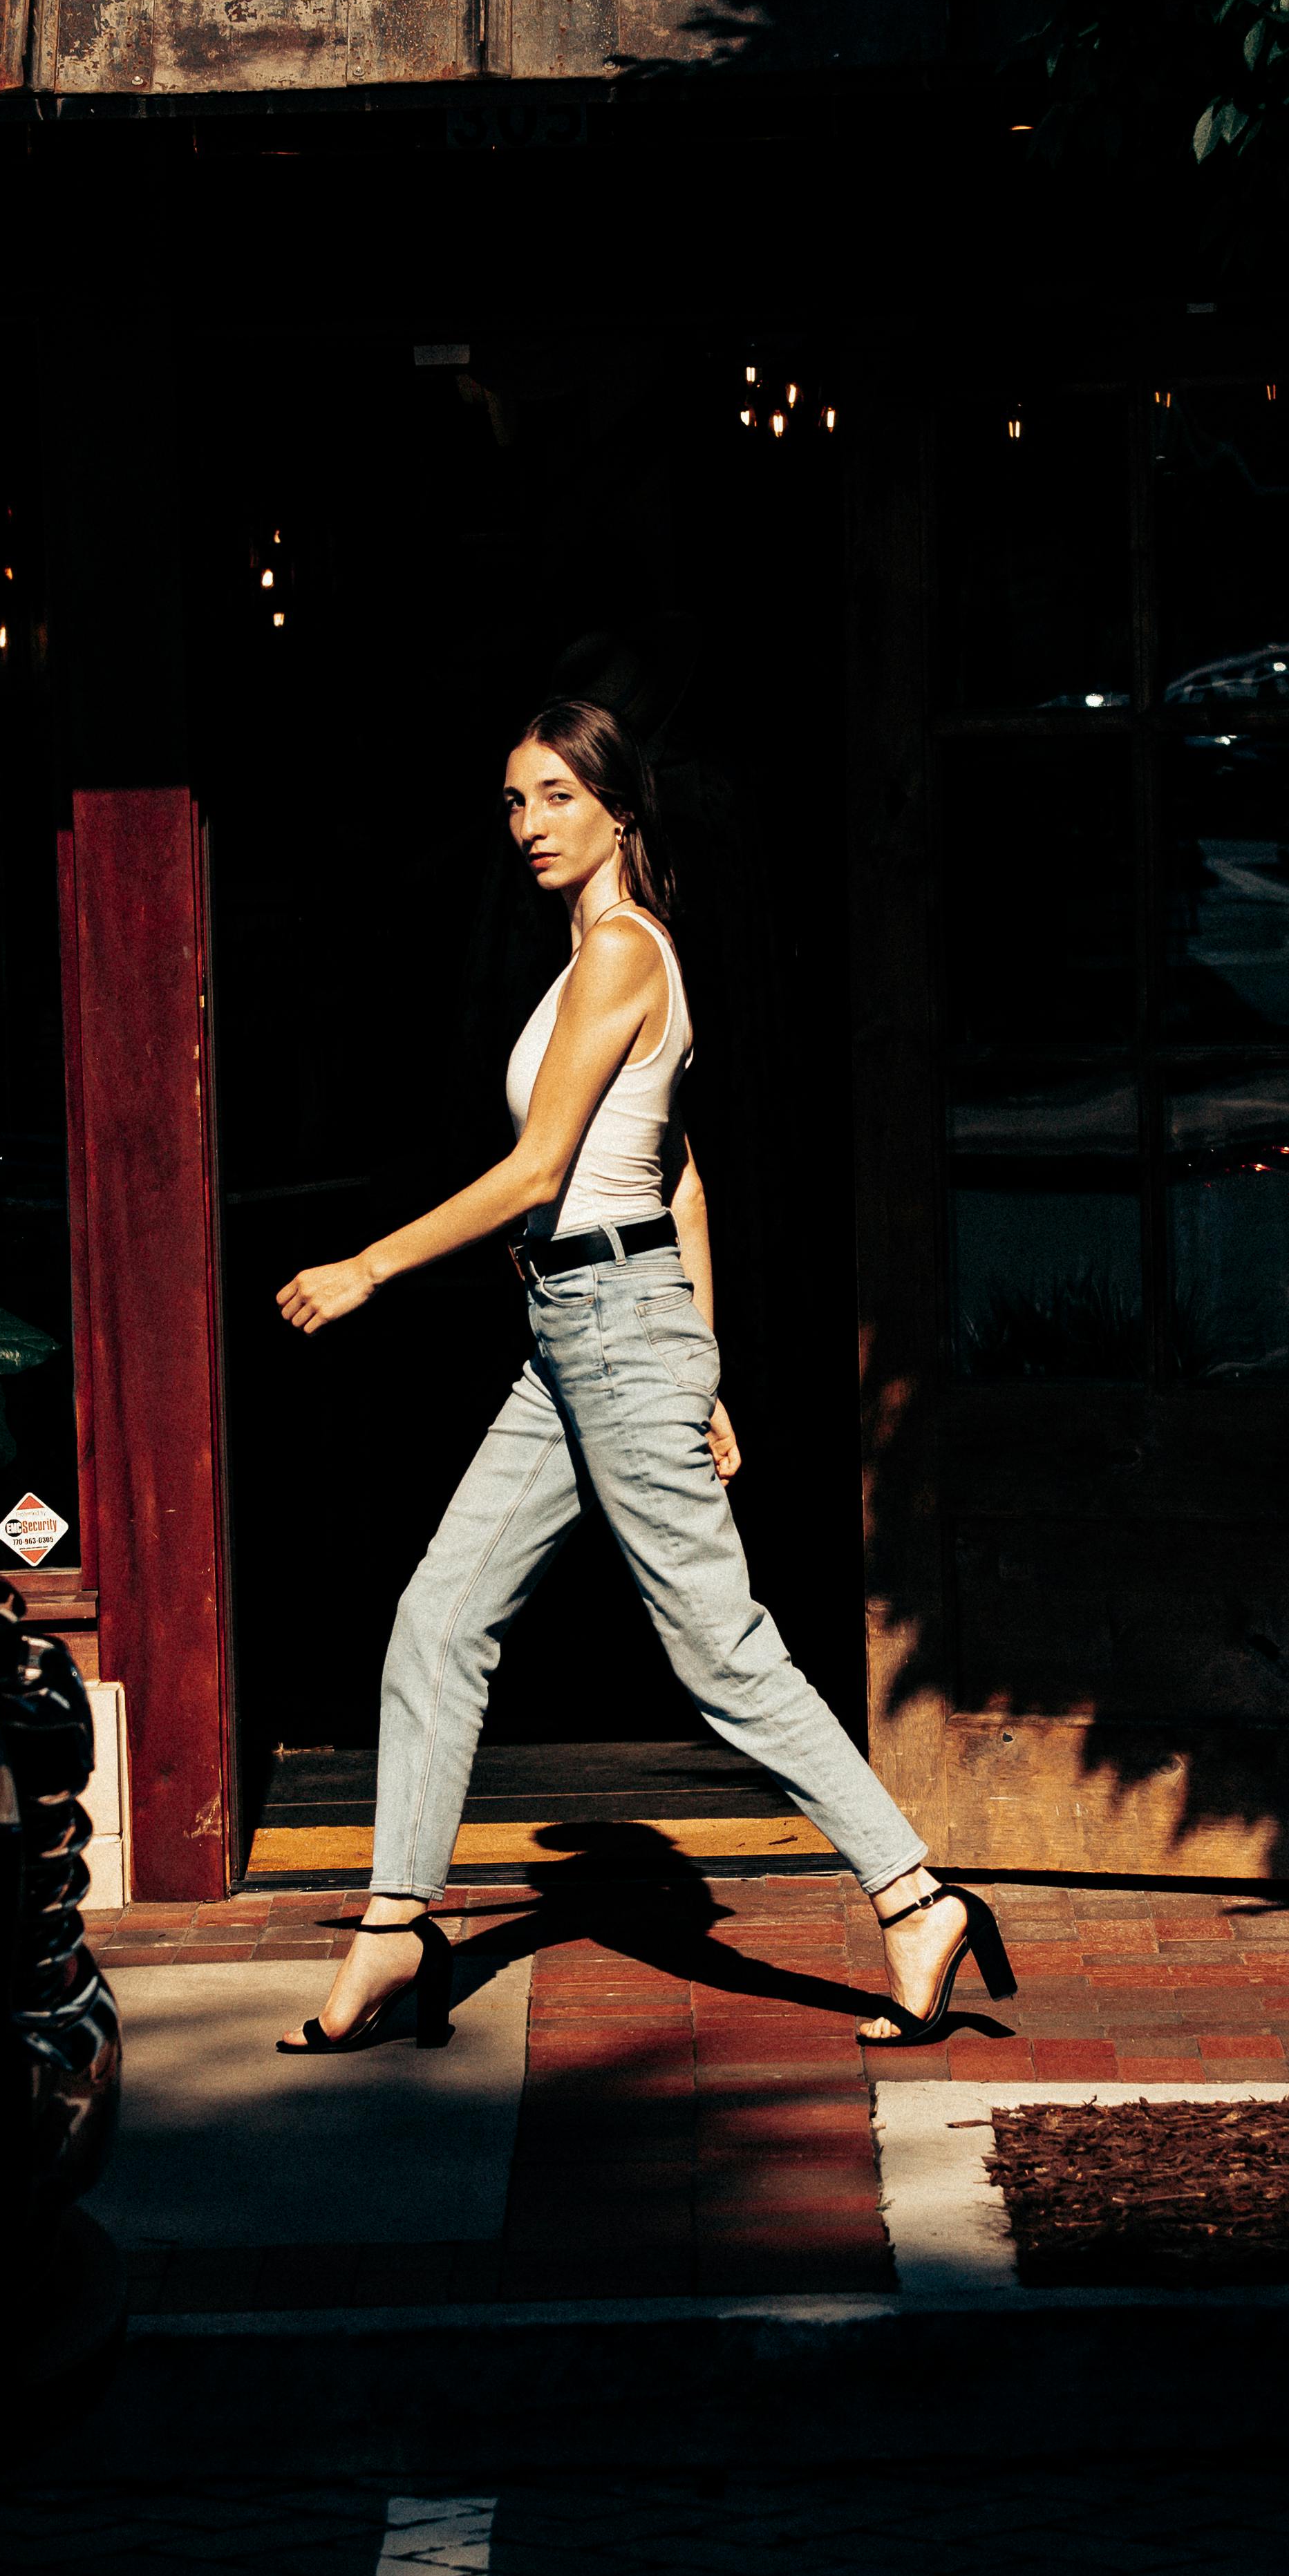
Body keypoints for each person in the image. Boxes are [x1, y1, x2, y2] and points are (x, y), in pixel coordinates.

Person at [270, 696, 1013, 2056]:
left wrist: (370, 1269)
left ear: (619, 807)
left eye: (557, 795)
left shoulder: (619, 951)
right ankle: (393, 1928)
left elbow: (539, 1174)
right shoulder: (592, 963)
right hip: (582, 1339)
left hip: (609, 1331)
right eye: (512, 800)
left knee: (715, 1648)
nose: (530, 823)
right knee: (438, 1617)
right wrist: (708, 1362)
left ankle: (915, 1897)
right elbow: (678, 1172)